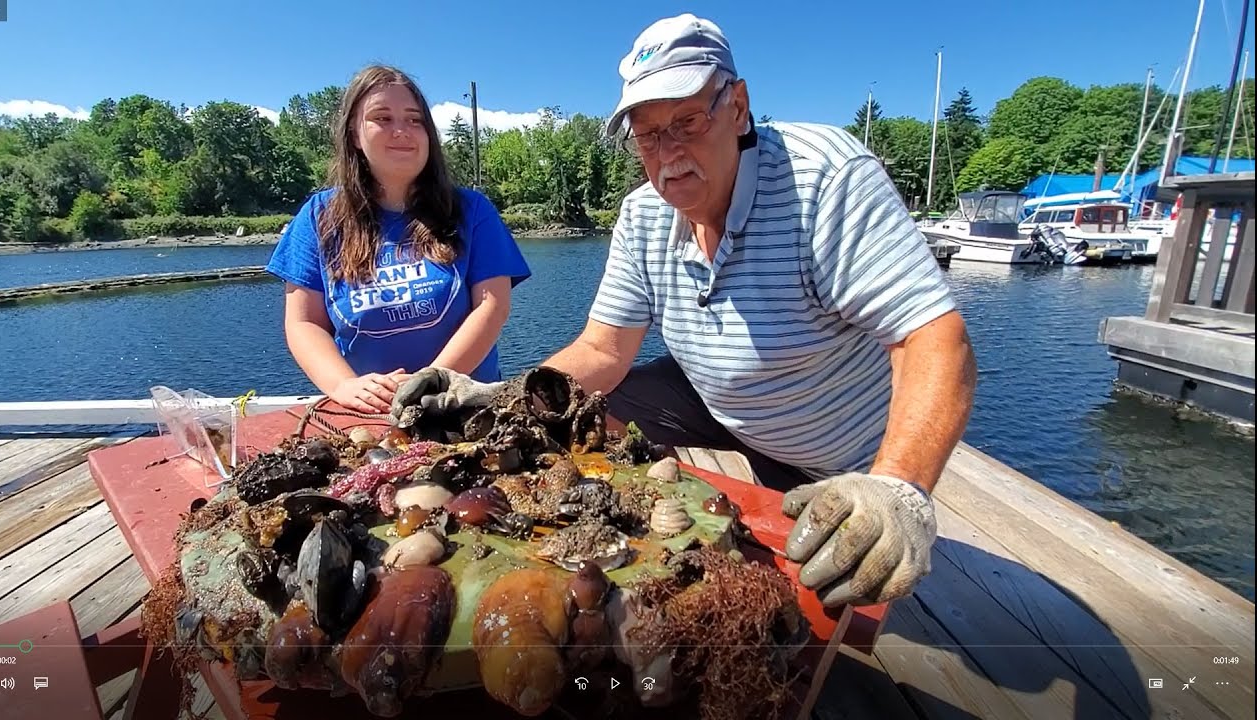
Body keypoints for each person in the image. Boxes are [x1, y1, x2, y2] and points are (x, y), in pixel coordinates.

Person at [391, 15, 976, 609]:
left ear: (739, 106)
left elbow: (932, 340)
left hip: (835, 455)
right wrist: (503, 400)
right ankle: (623, 532)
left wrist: (897, 487)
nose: (668, 154)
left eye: (687, 122)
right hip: (713, 395)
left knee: (829, 601)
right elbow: (602, 351)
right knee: (584, 408)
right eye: (647, 135)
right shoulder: (643, 213)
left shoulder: (825, 179)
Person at [267, 64, 530, 414]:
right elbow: (304, 323)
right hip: (369, 417)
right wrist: (343, 385)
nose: (402, 131)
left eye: (414, 120)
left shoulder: (472, 210)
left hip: (463, 409)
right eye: (383, 118)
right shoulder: (318, 217)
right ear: (354, 135)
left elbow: (492, 306)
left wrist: (434, 382)